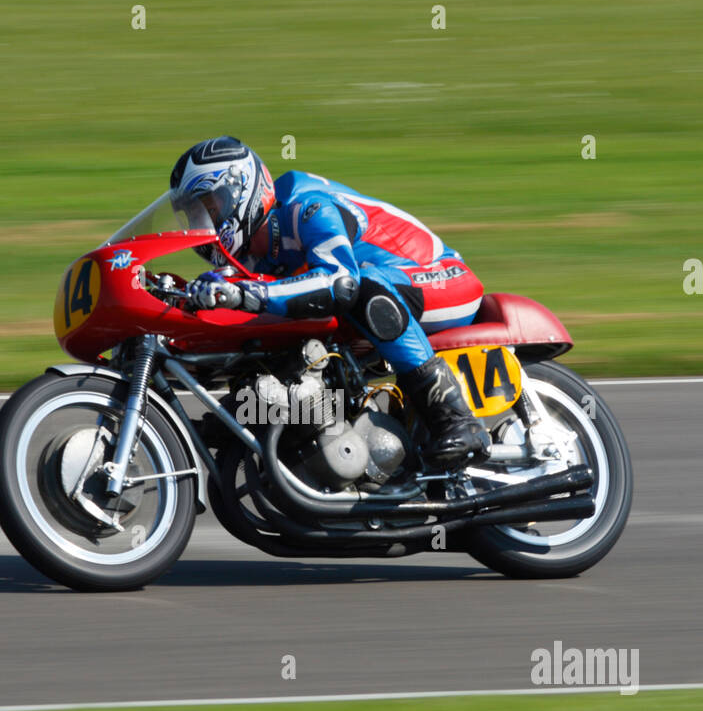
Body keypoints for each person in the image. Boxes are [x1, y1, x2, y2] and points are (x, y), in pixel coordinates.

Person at [170, 136, 491, 466]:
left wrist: (252, 294)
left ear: (240, 191)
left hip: (441, 279)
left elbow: (340, 284)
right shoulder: (251, 255)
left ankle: (457, 420)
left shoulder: (307, 207)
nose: (203, 223)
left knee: (362, 286)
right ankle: (258, 418)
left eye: (210, 207)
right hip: (392, 297)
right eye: (195, 215)